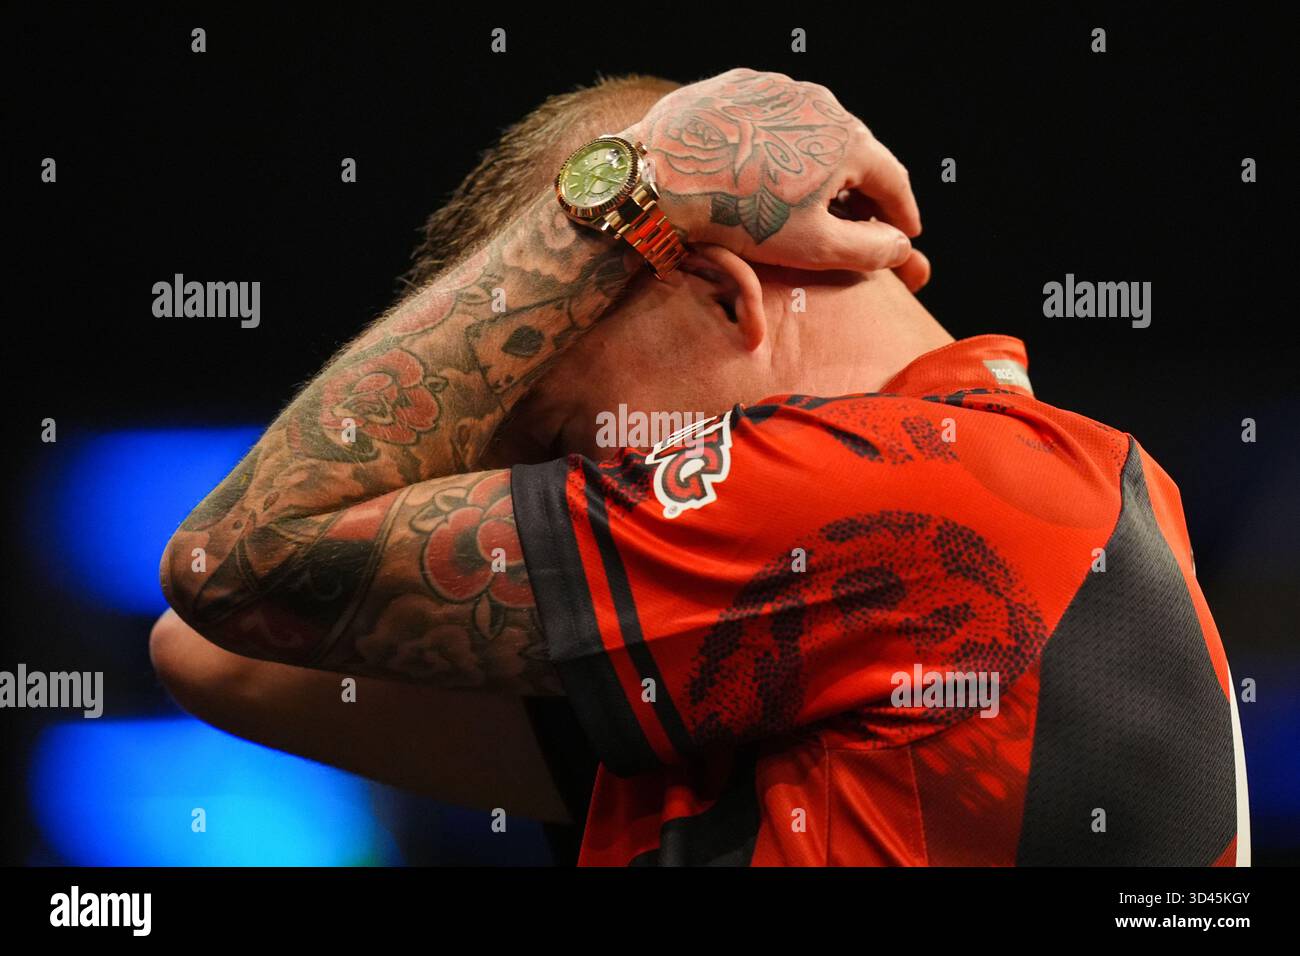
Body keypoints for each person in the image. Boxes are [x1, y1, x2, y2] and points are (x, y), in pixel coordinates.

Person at [151, 68, 1249, 866]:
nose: (566, 489)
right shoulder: (1039, 497)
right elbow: (217, 651)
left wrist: (623, 198)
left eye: (572, 439)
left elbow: (241, 560)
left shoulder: (904, 484)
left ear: (726, 296)